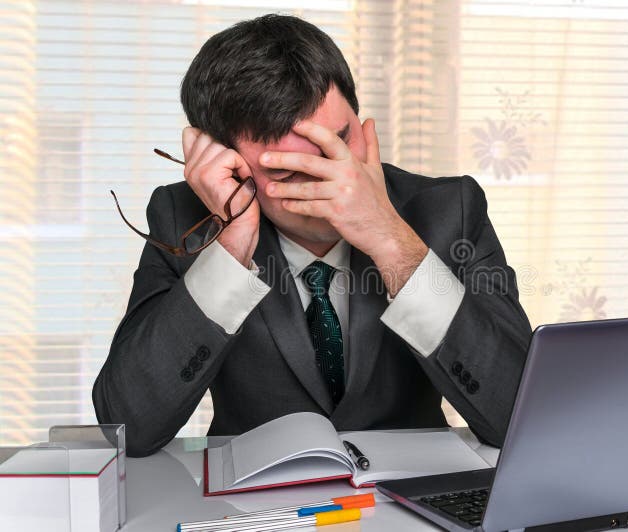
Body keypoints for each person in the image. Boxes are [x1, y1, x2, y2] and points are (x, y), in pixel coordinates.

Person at [93, 14, 531, 458]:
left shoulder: (449, 210)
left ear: (363, 125)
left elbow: (523, 416)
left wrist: (390, 238)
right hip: (258, 513)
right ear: (228, 165)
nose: (331, 183)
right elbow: (129, 426)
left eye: (339, 143)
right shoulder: (185, 217)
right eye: (288, 172)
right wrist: (232, 243)